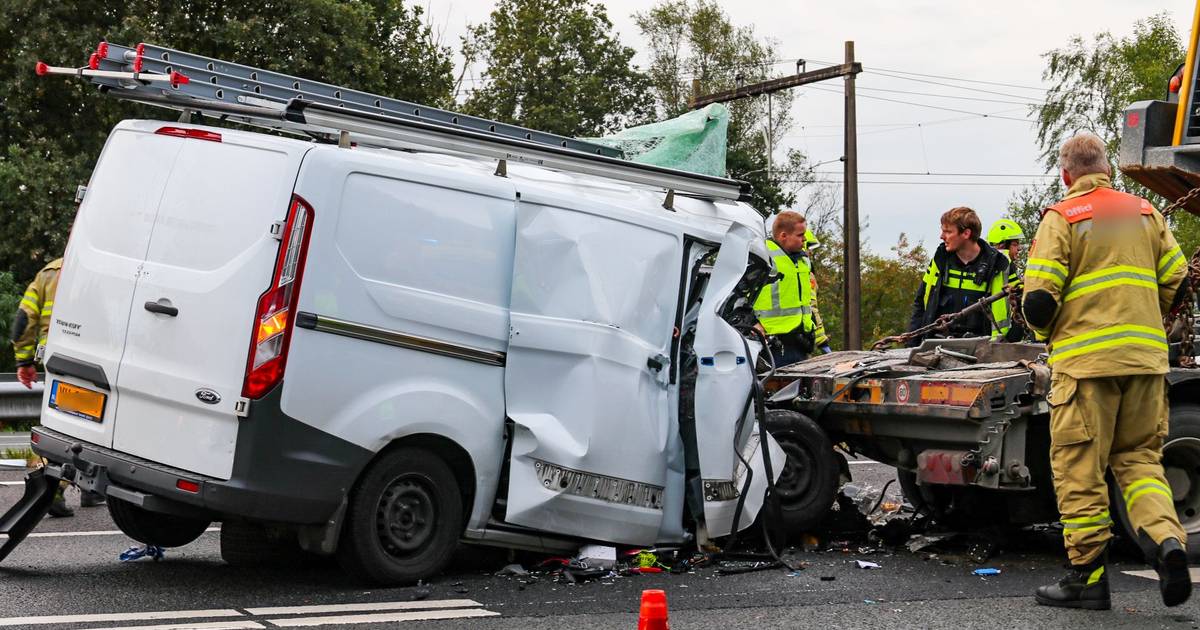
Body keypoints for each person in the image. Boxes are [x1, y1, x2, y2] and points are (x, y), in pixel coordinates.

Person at [1024, 133, 1191, 610]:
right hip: (1145, 362)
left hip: (1087, 368)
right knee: (1140, 462)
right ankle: (1167, 543)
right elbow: (1177, 285)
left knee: (1080, 470)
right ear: (1108, 170)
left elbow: (1038, 302)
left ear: (1065, 174)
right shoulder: (1145, 212)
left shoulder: (1062, 218)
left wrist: (1047, 334)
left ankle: (1086, 579)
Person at [10, 257, 105, 516]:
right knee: (95, 425)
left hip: (57, 361)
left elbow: (23, 320)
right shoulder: (102, 269)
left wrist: (24, 361)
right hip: (96, 361)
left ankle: (79, 489)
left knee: (63, 424)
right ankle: (70, 489)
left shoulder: (48, 272)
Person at [907, 207, 1015, 345]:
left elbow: (1017, 308)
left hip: (984, 350)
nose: (942, 236)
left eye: (948, 231)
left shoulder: (999, 264)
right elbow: (921, 303)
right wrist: (912, 344)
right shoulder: (940, 259)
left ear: (966, 233)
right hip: (937, 344)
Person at [754, 211, 817, 365]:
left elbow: (809, 301)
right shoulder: (764, 257)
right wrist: (753, 323)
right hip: (773, 343)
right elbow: (738, 293)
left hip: (800, 341)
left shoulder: (803, 260)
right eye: (800, 235)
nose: (805, 239)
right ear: (783, 236)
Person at [803, 229, 832, 354]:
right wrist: (822, 341)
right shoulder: (804, 274)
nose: (810, 251)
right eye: (808, 247)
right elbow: (811, 307)